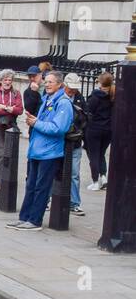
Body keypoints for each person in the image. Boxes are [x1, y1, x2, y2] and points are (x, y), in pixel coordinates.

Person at [11, 71, 72, 231]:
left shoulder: (64, 103)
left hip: (50, 153)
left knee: (41, 187)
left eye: (51, 82)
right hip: (36, 150)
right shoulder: (46, 98)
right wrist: (33, 120)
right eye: (46, 81)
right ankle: (24, 218)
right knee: (30, 186)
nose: (47, 84)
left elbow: (59, 128)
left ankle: (35, 221)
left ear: (60, 84)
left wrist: (36, 123)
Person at [0, 69, 23, 193]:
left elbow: (19, 110)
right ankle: (1, 184)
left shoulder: (16, 93)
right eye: (5, 80)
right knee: (1, 154)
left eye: (10, 80)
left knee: (7, 155)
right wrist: (10, 109)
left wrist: (4, 107)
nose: (8, 82)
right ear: (0, 81)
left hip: (11, 126)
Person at [84, 72, 114, 192]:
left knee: (94, 155)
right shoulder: (113, 95)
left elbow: (89, 110)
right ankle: (104, 177)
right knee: (101, 153)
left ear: (100, 82)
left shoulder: (95, 96)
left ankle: (95, 181)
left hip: (94, 129)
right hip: (108, 129)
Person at [62, 72, 87, 216]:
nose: (73, 90)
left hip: (75, 141)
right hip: (60, 140)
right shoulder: (58, 97)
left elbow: (86, 116)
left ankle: (74, 203)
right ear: (64, 85)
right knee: (55, 171)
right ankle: (48, 199)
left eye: (75, 88)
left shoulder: (79, 98)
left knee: (74, 173)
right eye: (71, 87)